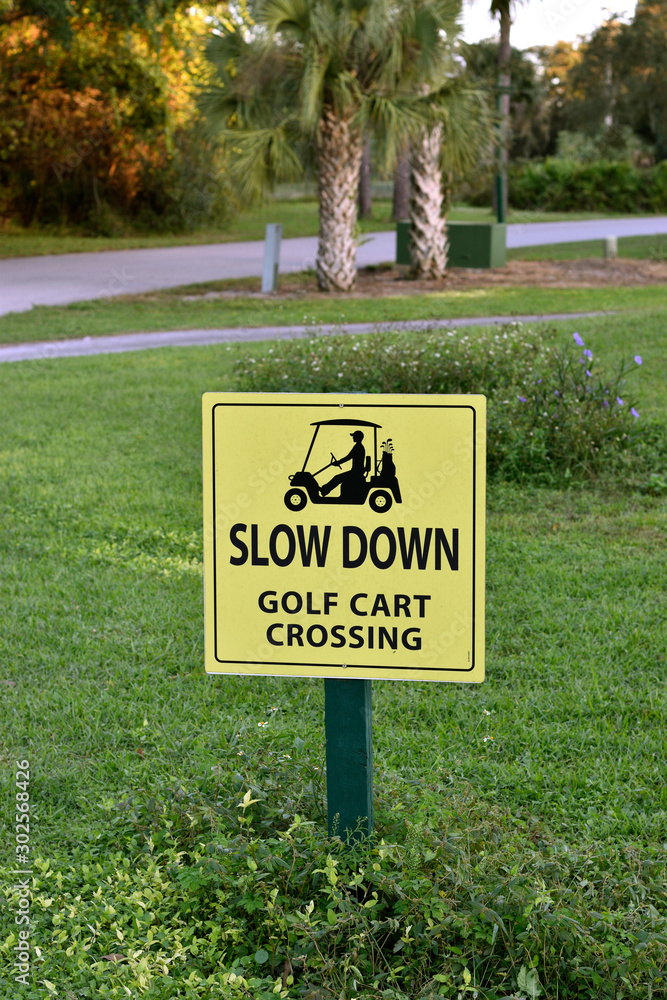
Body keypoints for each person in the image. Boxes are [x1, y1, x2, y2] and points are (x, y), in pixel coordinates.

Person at [320, 430, 366, 497]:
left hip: (356, 472)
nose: (353, 438)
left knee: (337, 478)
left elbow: (348, 457)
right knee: (338, 478)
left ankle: (324, 490)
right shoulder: (359, 446)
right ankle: (324, 490)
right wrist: (338, 462)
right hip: (356, 471)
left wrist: (338, 462)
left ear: (358, 437)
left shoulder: (358, 447)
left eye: (354, 436)